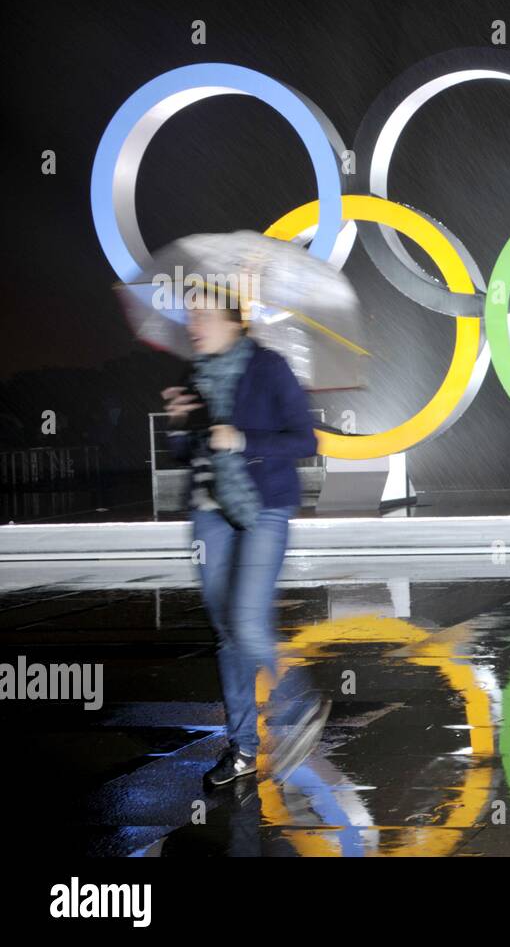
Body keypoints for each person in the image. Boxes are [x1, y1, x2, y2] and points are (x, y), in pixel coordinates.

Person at [161, 291, 328, 788]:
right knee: (228, 637)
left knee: (248, 623)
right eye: (189, 314)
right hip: (210, 516)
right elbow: (188, 451)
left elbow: (305, 439)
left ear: (234, 321)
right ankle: (241, 748)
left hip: (264, 509)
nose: (194, 322)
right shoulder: (195, 375)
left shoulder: (269, 367)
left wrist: (242, 440)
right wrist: (177, 425)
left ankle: (302, 704)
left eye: (204, 313)